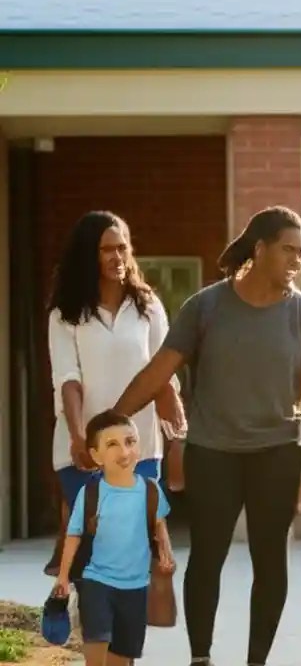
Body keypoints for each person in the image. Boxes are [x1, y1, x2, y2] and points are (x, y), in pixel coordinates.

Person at [111, 205, 301, 666]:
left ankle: (256, 661)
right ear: (260, 249)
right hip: (212, 452)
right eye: (288, 250)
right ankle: (201, 658)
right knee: (206, 558)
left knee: (271, 563)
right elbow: (159, 371)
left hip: (275, 453)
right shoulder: (207, 306)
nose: (297, 260)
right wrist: (113, 420)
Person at [44, 211, 185, 577]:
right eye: (106, 249)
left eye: (122, 248)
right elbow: (67, 379)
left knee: (133, 548)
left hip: (139, 449)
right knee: (88, 543)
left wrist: (178, 439)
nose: (117, 257)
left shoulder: (148, 307)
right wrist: (79, 436)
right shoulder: (65, 314)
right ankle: (82, 611)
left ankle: (125, 628)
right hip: (82, 451)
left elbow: (163, 371)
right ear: (87, 255)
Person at [54, 410, 178, 666]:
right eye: (112, 445)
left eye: (130, 442)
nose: (124, 452)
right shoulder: (91, 492)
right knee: (96, 646)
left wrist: (166, 553)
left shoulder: (150, 490)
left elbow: (159, 524)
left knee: (121, 657)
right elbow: (74, 535)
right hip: (96, 580)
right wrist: (63, 576)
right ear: (96, 455)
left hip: (135, 586)